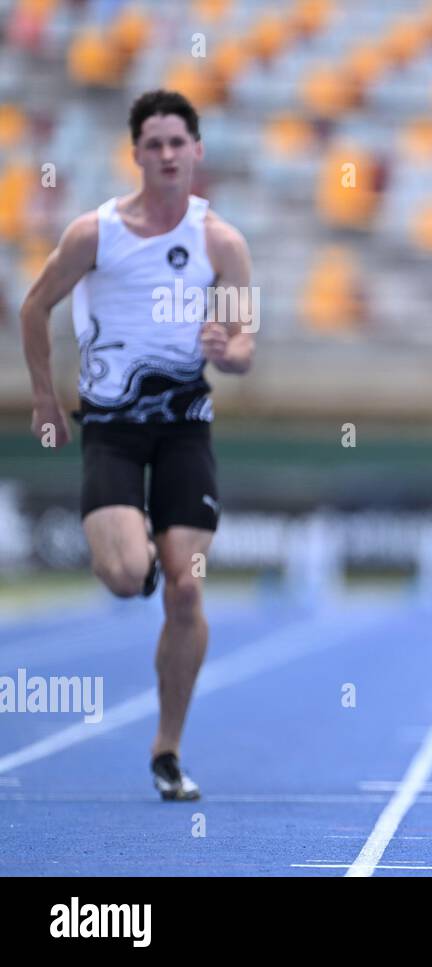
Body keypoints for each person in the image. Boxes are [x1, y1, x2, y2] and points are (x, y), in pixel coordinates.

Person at [19, 89, 256, 795]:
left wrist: (228, 346)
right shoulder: (96, 234)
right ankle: (143, 558)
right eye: (153, 144)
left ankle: (167, 748)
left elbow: (244, 345)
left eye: (177, 142)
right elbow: (35, 304)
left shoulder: (223, 243)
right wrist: (43, 395)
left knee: (187, 588)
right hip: (113, 429)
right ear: (137, 154)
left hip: (185, 426)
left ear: (197, 151)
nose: (166, 155)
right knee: (126, 578)